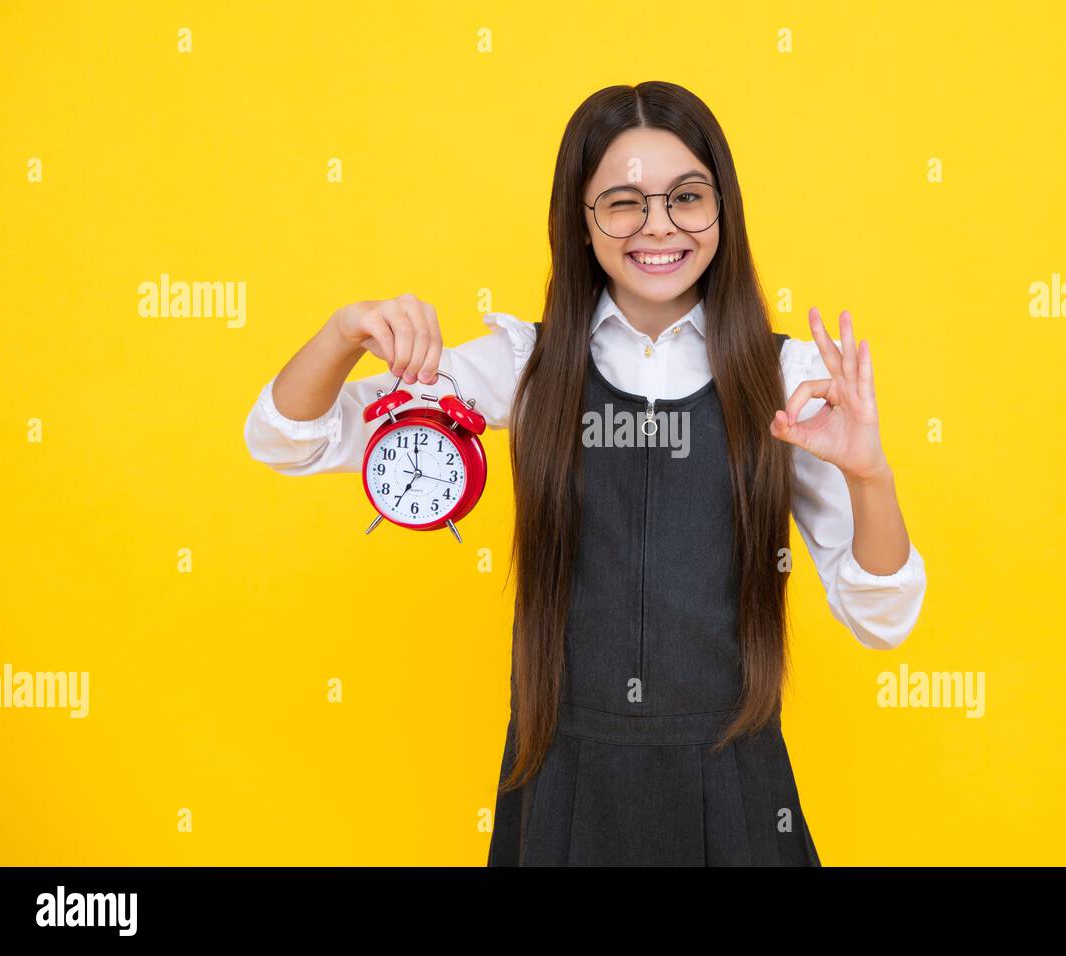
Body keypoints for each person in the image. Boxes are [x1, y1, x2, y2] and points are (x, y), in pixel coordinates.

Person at [243, 81, 926, 866]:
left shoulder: (786, 380)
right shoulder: (527, 364)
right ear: (583, 218)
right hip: (564, 785)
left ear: (722, 209)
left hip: (735, 791)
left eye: (687, 197)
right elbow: (289, 441)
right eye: (624, 201)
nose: (658, 227)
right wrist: (341, 334)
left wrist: (870, 474)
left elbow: (883, 619)